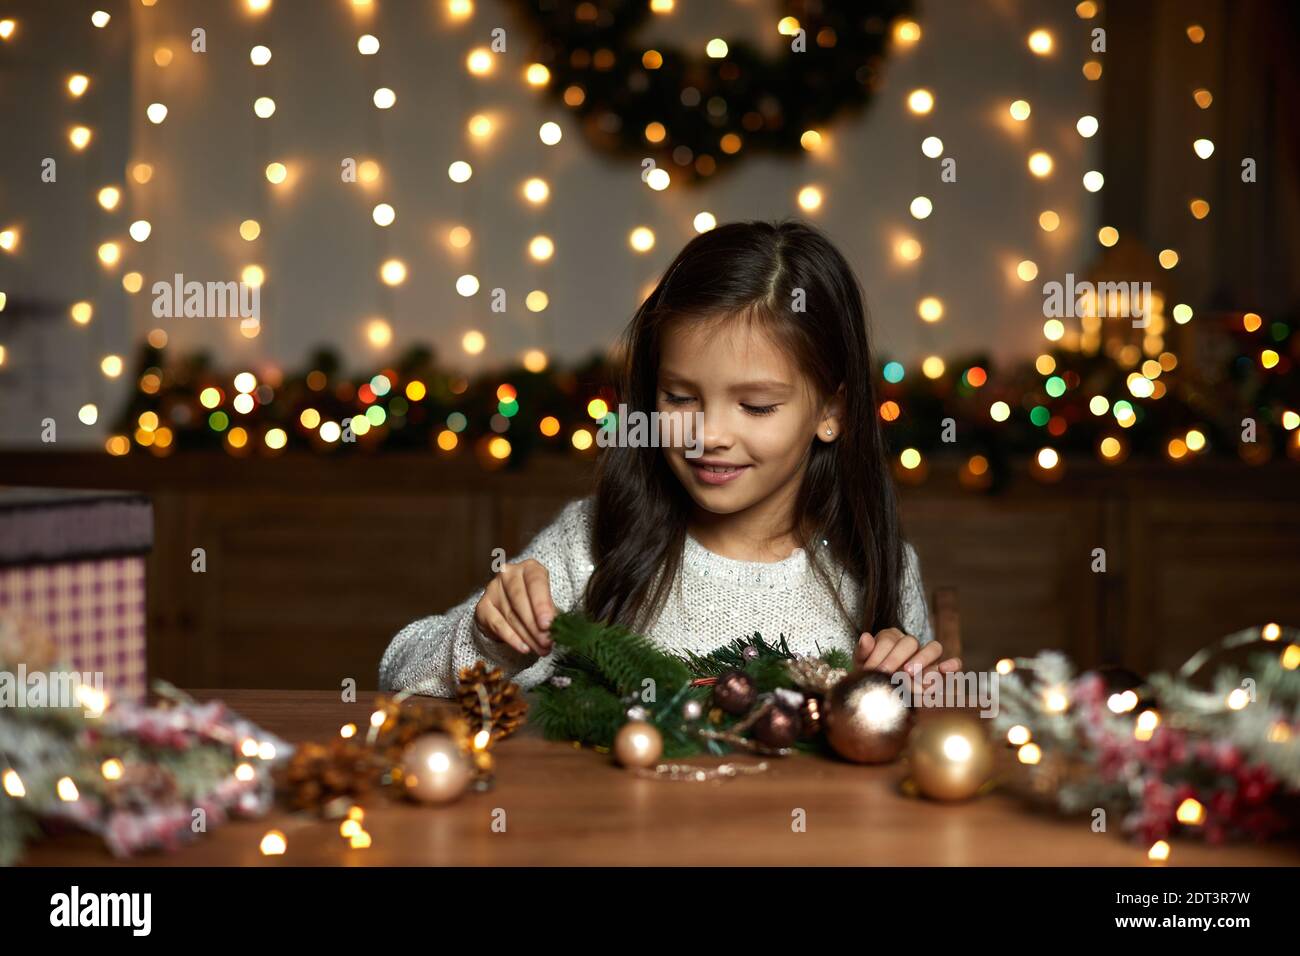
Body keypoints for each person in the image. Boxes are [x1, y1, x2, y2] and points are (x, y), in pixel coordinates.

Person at [380, 219, 961, 696]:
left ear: (831, 412)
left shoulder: (876, 566)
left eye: (756, 406)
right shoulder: (592, 543)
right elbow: (399, 670)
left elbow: (906, 736)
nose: (707, 435)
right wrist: (489, 638)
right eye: (679, 398)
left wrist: (908, 694)